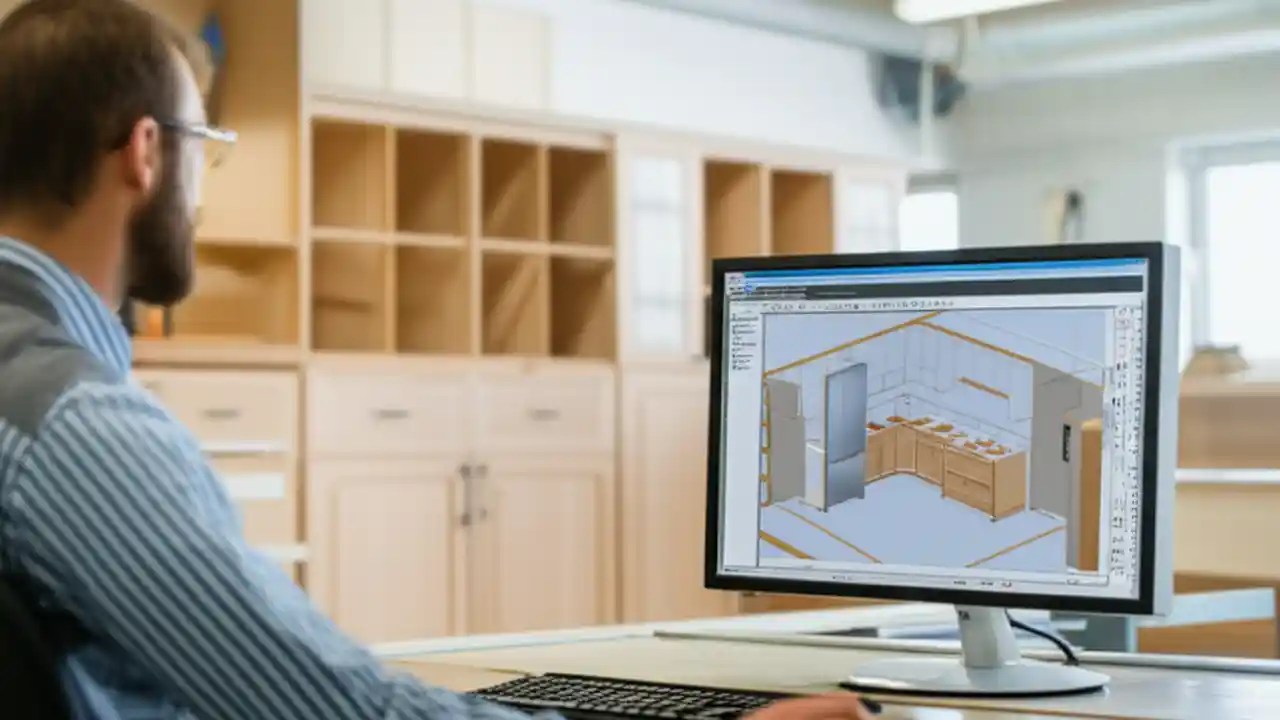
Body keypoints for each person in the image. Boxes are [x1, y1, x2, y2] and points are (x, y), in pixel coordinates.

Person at [0, 1, 876, 719]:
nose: (205, 187)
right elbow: (328, 711)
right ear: (148, 153)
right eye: (206, 148)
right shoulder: (77, 424)